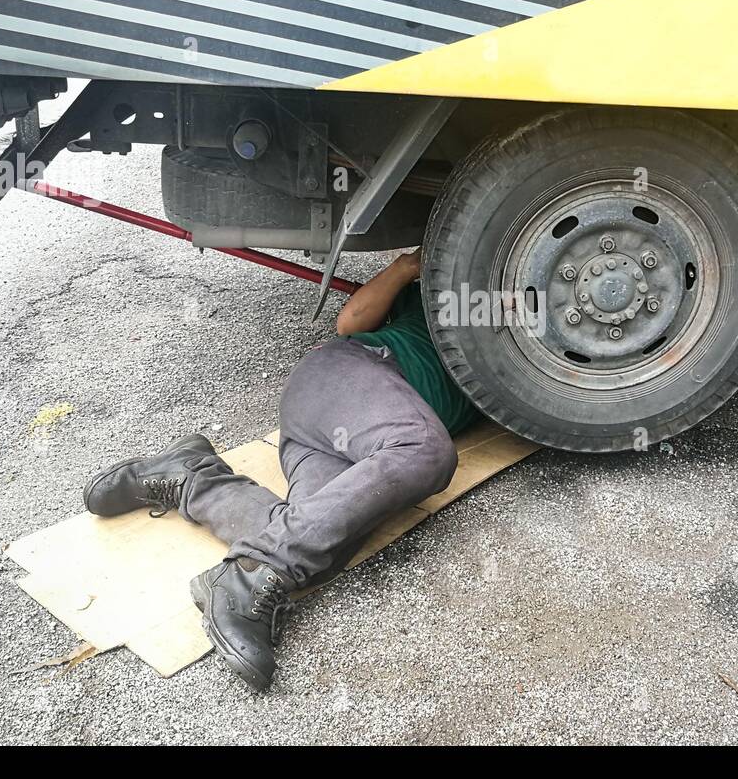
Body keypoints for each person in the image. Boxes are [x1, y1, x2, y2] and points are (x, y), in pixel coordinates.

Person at [82, 249, 480, 691]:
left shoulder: (538, 361)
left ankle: (191, 476)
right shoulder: (455, 295)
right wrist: (409, 267)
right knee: (424, 451)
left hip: (350, 439)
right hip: (348, 376)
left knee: (320, 542)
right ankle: (246, 577)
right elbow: (349, 324)